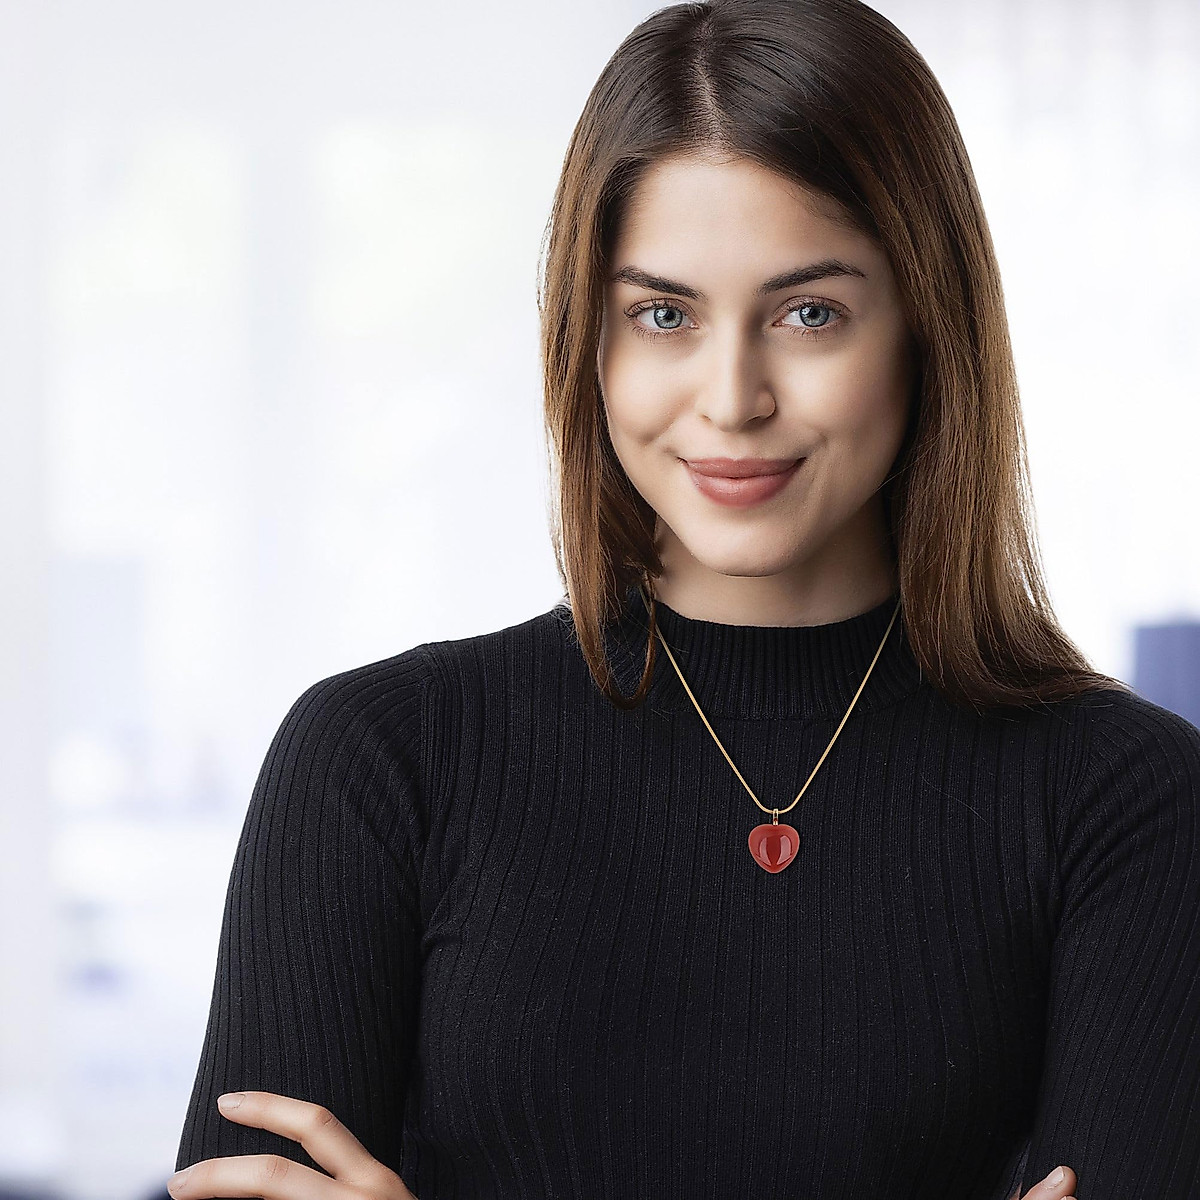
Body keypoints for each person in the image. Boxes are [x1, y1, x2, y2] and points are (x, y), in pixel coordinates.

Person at [167, 1, 1200, 1197]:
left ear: (928, 326)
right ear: (587, 341)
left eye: (810, 313)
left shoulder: (1129, 806)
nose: (731, 397)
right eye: (663, 314)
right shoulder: (379, 761)